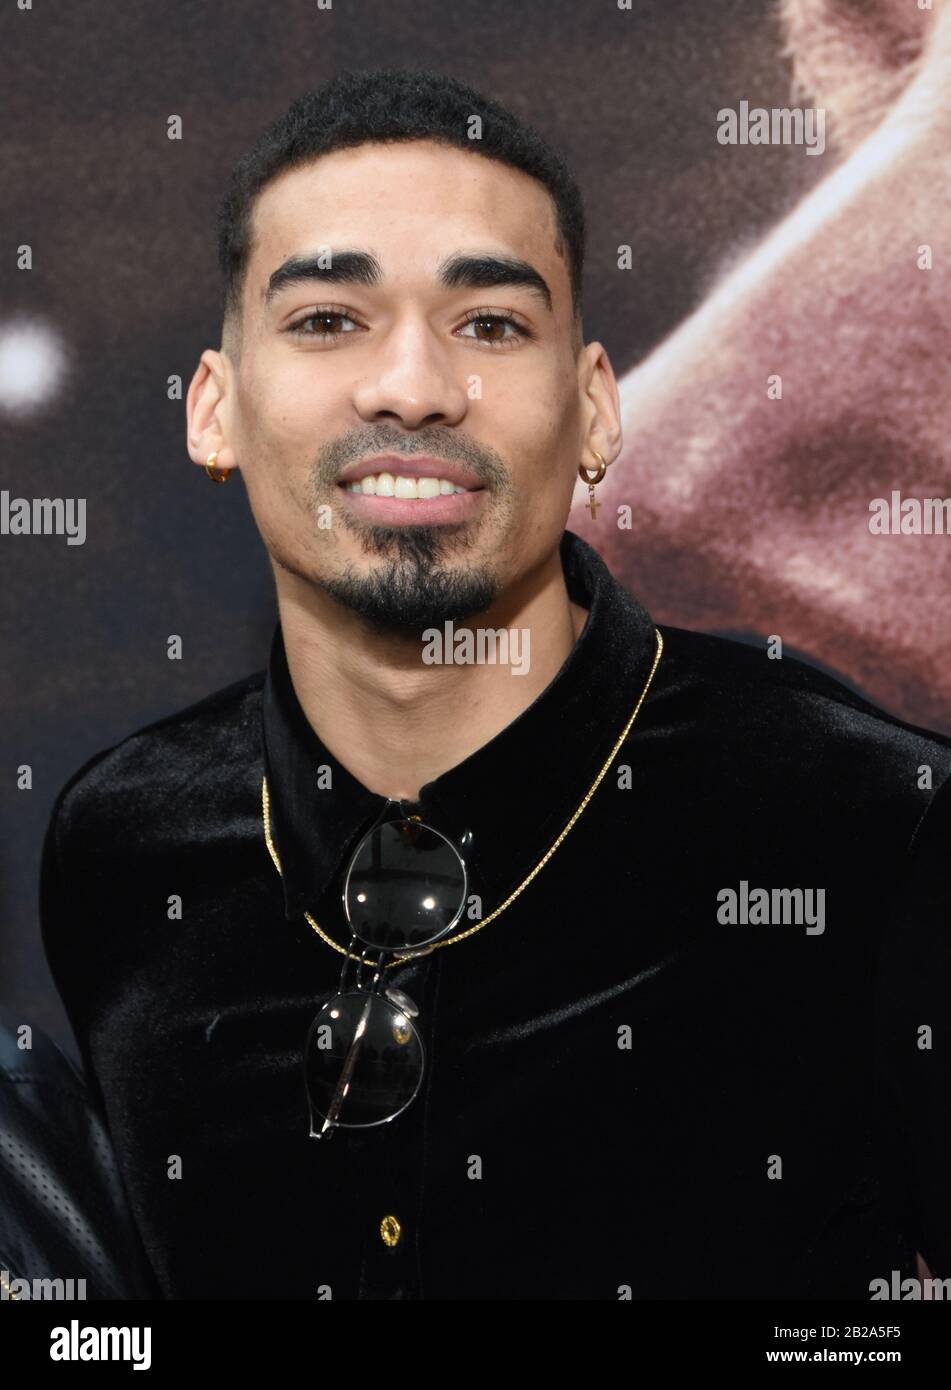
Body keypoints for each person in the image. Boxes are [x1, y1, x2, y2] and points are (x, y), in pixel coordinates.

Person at [39, 67, 951, 1300]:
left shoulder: (880, 831)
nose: (411, 387)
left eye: (490, 325)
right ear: (215, 411)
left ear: (592, 415)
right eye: (326, 320)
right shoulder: (118, 845)